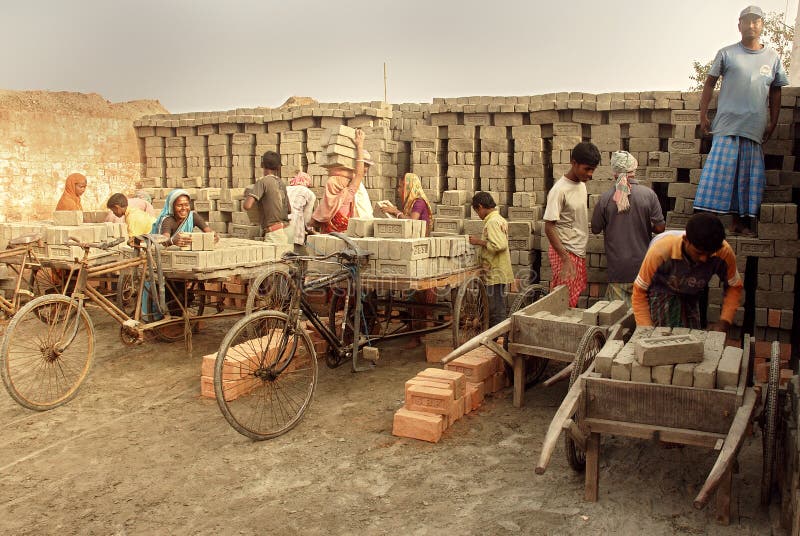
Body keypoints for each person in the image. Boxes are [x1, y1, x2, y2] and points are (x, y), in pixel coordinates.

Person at [694, 5, 789, 236]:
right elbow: (709, 83)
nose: (751, 25)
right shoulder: (727, 53)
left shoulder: (773, 57)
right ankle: (706, 226)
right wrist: (703, 114)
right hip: (726, 125)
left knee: (746, 177)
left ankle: (739, 224)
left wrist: (773, 121)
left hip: (754, 127)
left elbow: (776, 92)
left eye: (756, 21)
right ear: (739, 25)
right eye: (746, 21)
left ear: (762, 25)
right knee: (718, 172)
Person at [632, 213, 743, 331]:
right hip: (661, 291)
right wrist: (645, 329)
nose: (704, 259)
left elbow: (734, 287)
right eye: (699, 253)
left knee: (692, 337)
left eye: (709, 254)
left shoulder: (723, 251)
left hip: (691, 293)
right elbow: (639, 291)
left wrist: (724, 320)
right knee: (661, 335)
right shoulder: (660, 251)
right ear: (686, 240)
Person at [591, 151, 666, 306]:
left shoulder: (605, 198)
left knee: (618, 319)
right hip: (643, 268)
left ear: (614, 173)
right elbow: (660, 227)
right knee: (642, 315)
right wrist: (642, 223)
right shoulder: (649, 195)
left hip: (618, 270)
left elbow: (595, 229)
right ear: (634, 170)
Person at [543, 142, 600, 307]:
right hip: (566, 251)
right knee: (562, 301)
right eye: (587, 169)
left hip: (578, 250)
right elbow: (549, 227)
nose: (590, 174)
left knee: (571, 300)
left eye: (593, 170)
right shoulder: (559, 190)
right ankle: (554, 331)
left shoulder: (582, 185)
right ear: (573, 163)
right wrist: (565, 259)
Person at [469, 192, 514, 328]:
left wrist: (479, 242)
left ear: (481, 207)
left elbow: (499, 245)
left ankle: (498, 338)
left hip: (495, 272)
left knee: (495, 308)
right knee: (494, 304)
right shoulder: (497, 219)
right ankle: (493, 335)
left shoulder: (493, 222)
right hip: (496, 270)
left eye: (477, 211)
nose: (478, 215)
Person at [312, 129, 370, 233]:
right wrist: (359, 146)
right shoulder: (346, 197)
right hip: (345, 241)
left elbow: (313, 222)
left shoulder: (325, 205)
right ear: (341, 185)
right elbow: (359, 174)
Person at [243, 151, 292, 245]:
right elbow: (289, 210)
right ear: (278, 167)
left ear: (262, 165)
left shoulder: (262, 182)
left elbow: (247, 205)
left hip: (275, 233)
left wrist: (250, 193)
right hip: (288, 230)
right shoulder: (281, 183)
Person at [152, 189, 218, 247]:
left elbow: (208, 231)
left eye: (186, 205)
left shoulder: (192, 216)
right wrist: (172, 241)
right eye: (179, 205)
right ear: (172, 207)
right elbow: (164, 240)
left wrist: (213, 236)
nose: (184, 208)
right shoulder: (168, 220)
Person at [286, 171, 317, 254]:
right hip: (294, 226)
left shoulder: (286, 188)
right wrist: (311, 231)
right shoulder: (310, 193)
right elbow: (307, 219)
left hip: (279, 225)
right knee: (295, 254)